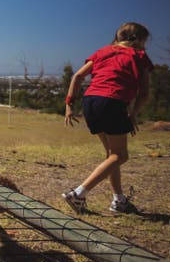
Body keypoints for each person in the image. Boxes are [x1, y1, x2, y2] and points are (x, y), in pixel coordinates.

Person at [63, 22, 153, 215]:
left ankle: (119, 200)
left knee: (112, 155)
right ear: (137, 39)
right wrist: (133, 114)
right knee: (120, 155)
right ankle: (78, 193)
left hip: (90, 101)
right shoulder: (139, 56)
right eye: (144, 41)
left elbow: (78, 76)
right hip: (112, 102)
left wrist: (69, 104)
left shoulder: (102, 52)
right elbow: (144, 93)